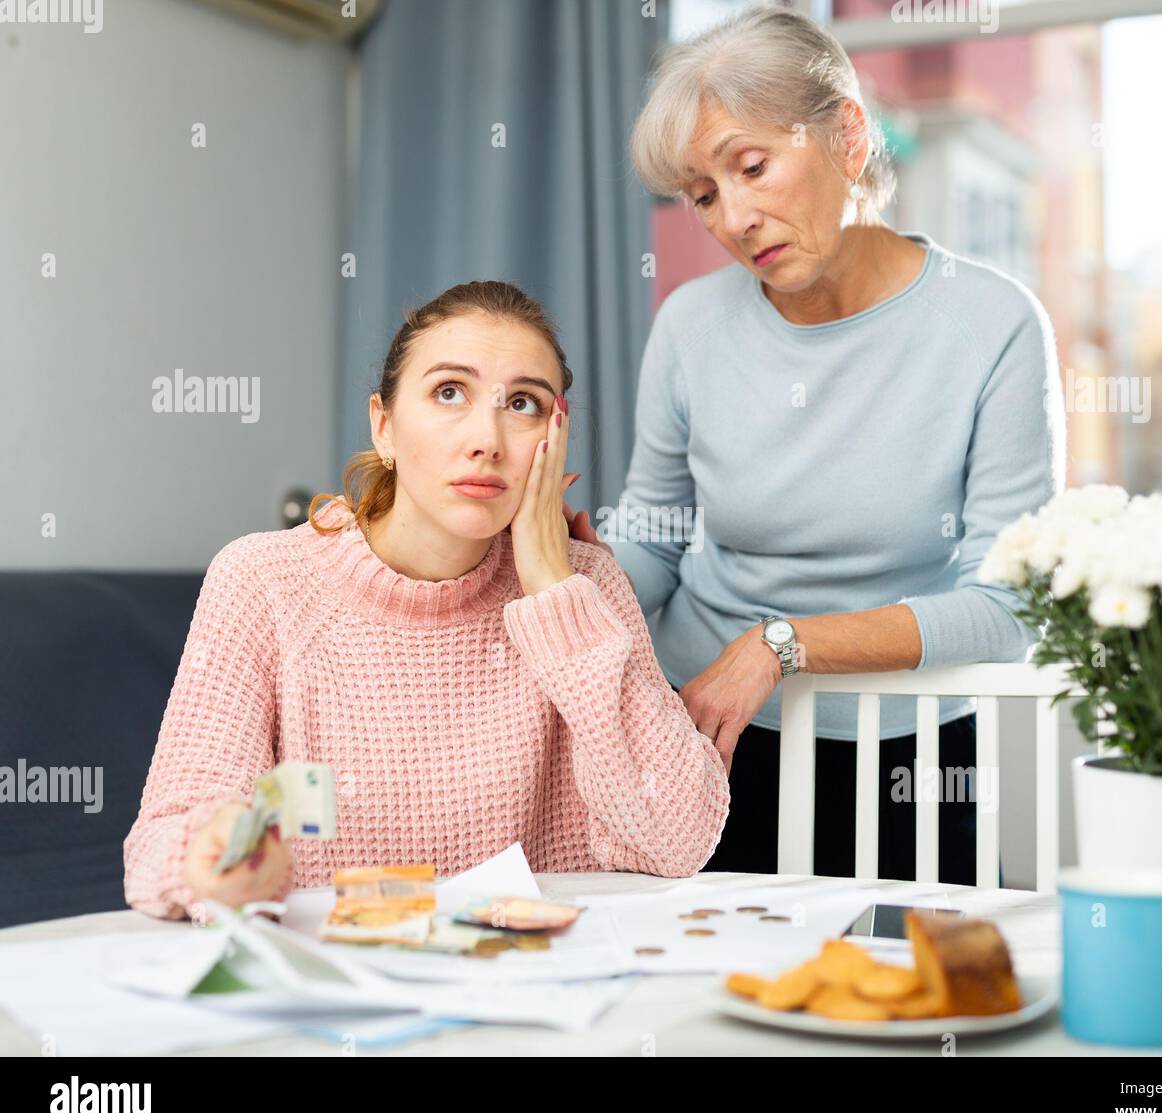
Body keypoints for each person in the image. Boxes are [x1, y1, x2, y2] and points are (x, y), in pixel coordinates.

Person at [594, 7, 1066, 883]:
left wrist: (780, 644)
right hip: (708, 733)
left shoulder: (993, 325)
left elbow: (1010, 610)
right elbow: (653, 541)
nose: (734, 217)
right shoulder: (690, 325)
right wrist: (563, 587)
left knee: (918, 1003)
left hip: (912, 749)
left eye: (752, 166)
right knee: (707, 1007)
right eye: (703, 195)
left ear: (848, 134)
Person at [123, 280, 729, 921]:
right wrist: (213, 859)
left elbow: (680, 838)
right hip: (341, 993)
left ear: (555, 442)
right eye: (448, 392)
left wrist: (554, 590)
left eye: (523, 403)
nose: (487, 439)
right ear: (383, 425)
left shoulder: (586, 591)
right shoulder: (262, 580)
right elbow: (161, 840)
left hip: (531, 989)